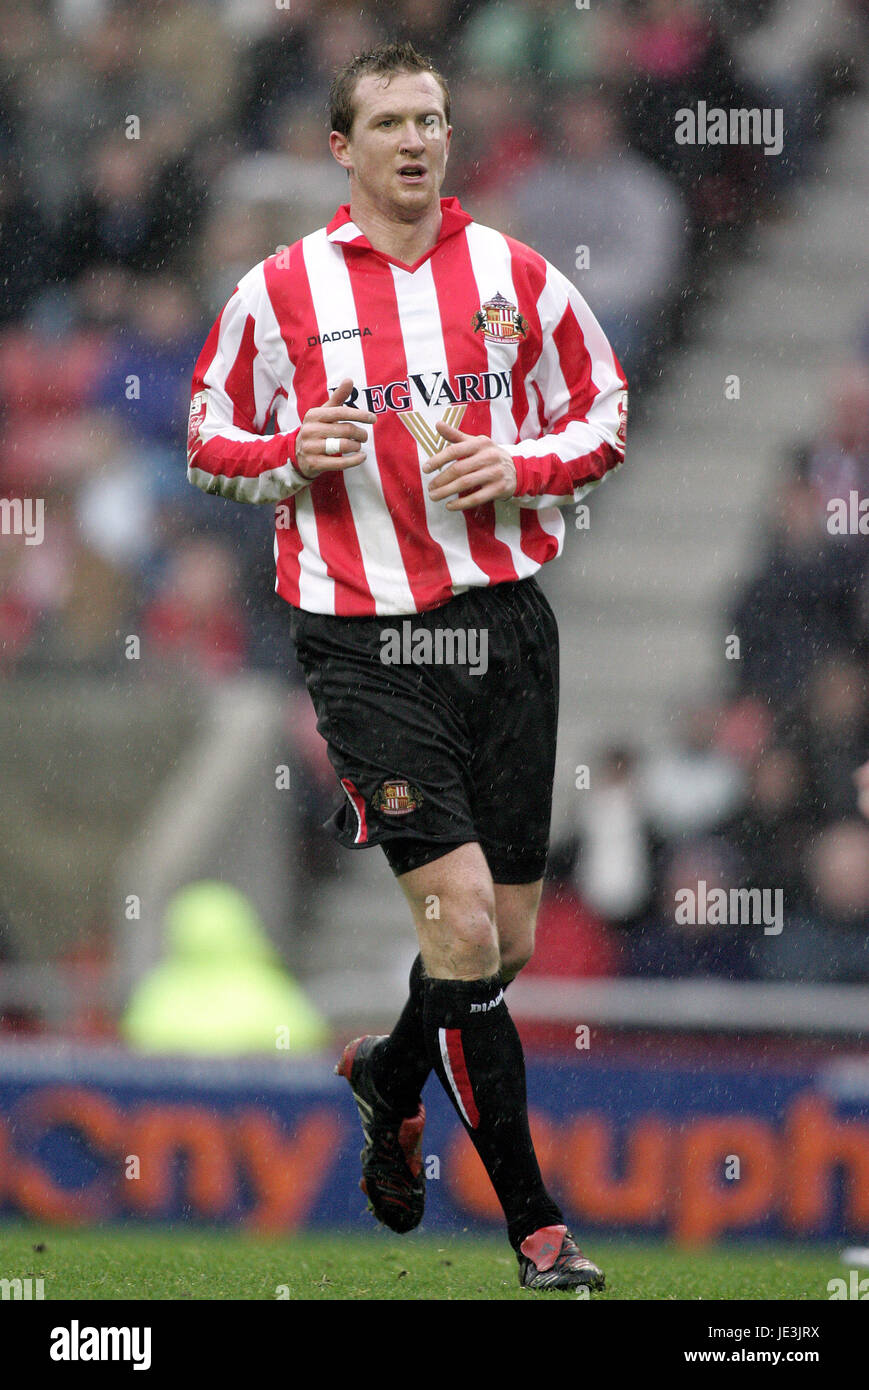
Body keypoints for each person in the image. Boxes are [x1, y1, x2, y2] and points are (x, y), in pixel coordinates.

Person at [187, 41, 627, 1292]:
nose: (414, 140)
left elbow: (602, 406)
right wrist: (289, 452)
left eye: (428, 118)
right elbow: (209, 440)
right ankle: (538, 1229)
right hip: (364, 640)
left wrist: (521, 466)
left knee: (506, 942)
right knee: (465, 920)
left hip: (502, 629)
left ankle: (389, 1076)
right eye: (385, 122)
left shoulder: (514, 276)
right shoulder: (281, 290)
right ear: (342, 146)